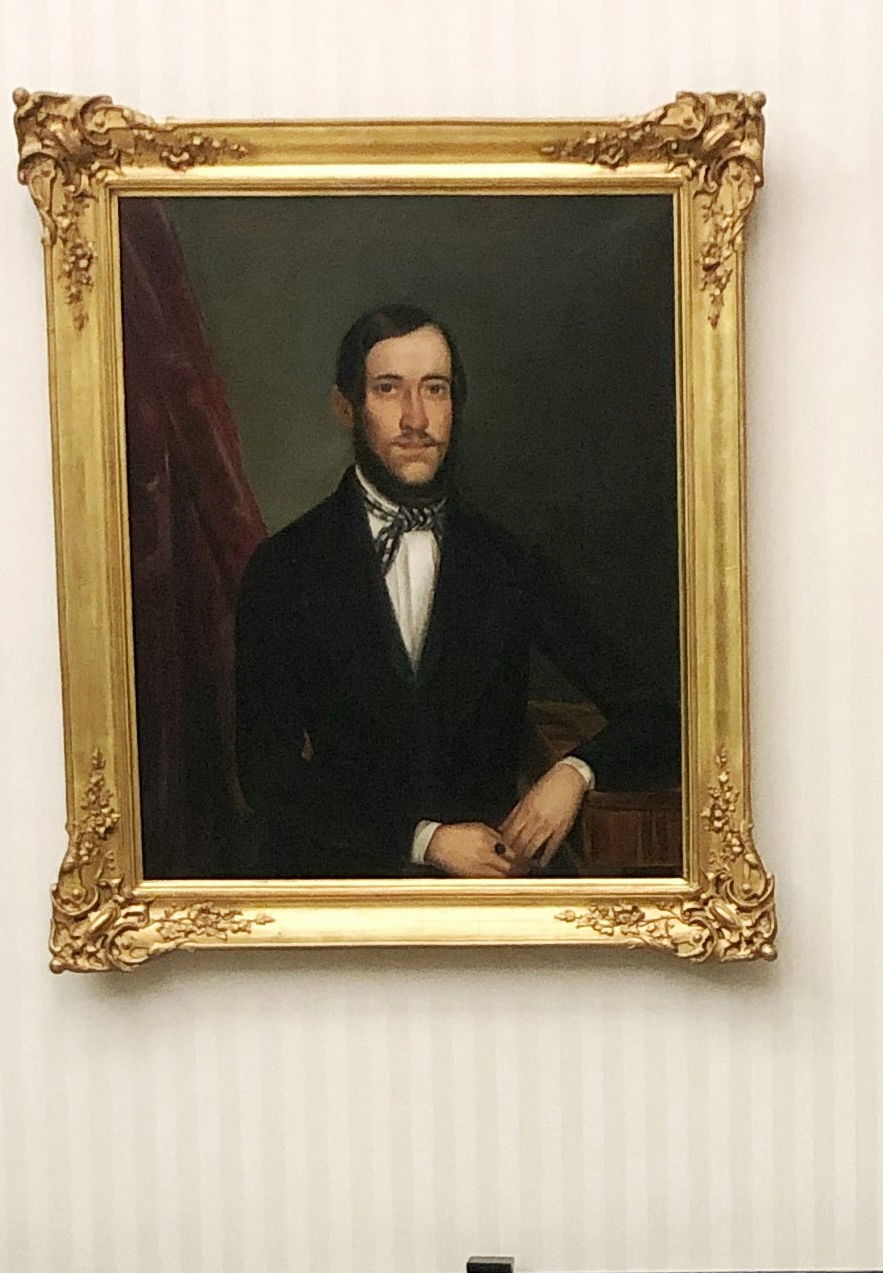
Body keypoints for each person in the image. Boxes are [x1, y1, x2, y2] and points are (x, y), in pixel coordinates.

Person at [230, 303, 678, 879]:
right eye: (389, 389)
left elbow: (656, 715)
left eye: (434, 389)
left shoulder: (510, 563)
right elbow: (267, 774)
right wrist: (424, 840)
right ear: (347, 407)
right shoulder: (285, 566)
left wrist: (573, 774)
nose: (415, 418)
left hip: (493, 889)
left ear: (455, 405)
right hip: (336, 885)